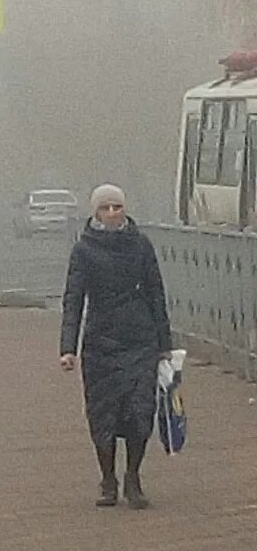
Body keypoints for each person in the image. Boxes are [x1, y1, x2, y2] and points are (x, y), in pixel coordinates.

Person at [59, 184, 172, 509]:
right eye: (105, 208)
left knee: (140, 412)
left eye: (117, 207)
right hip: (101, 345)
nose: (112, 213)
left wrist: (164, 345)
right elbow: (74, 300)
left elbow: (156, 295)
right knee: (103, 414)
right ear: (95, 212)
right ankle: (108, 479)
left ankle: (133, 478)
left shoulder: (141, 246)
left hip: (140, 342)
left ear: (124, 209)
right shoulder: (83, 251)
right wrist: (68, 348)